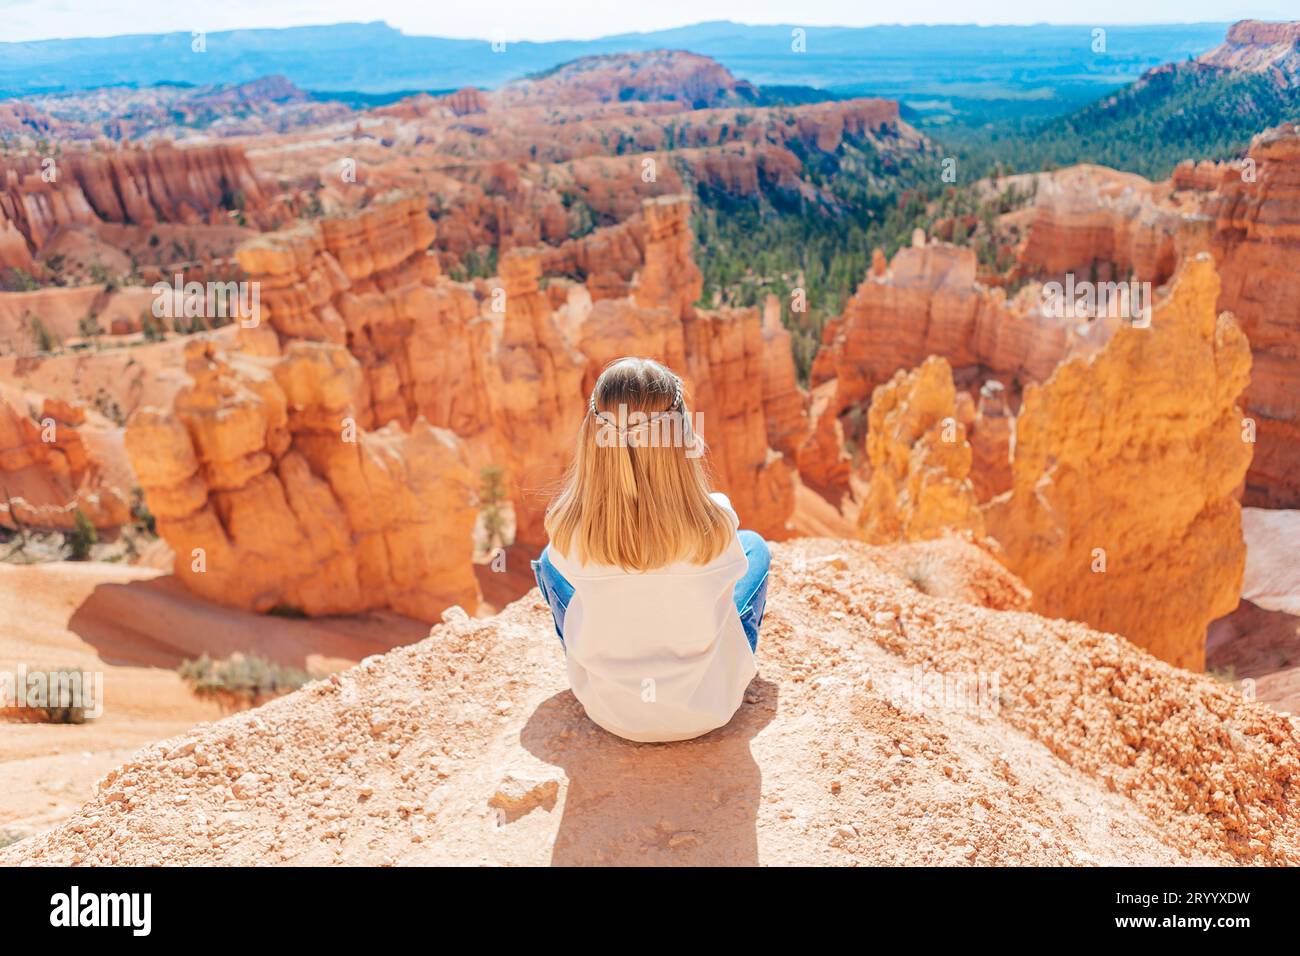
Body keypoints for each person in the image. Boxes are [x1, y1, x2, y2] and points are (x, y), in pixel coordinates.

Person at [531, 356, 770, 743]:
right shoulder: (717, 522)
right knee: (754, 548)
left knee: (546, 563)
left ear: (594, 437)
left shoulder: (568, 531)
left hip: (611, 712)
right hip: (709, 706)